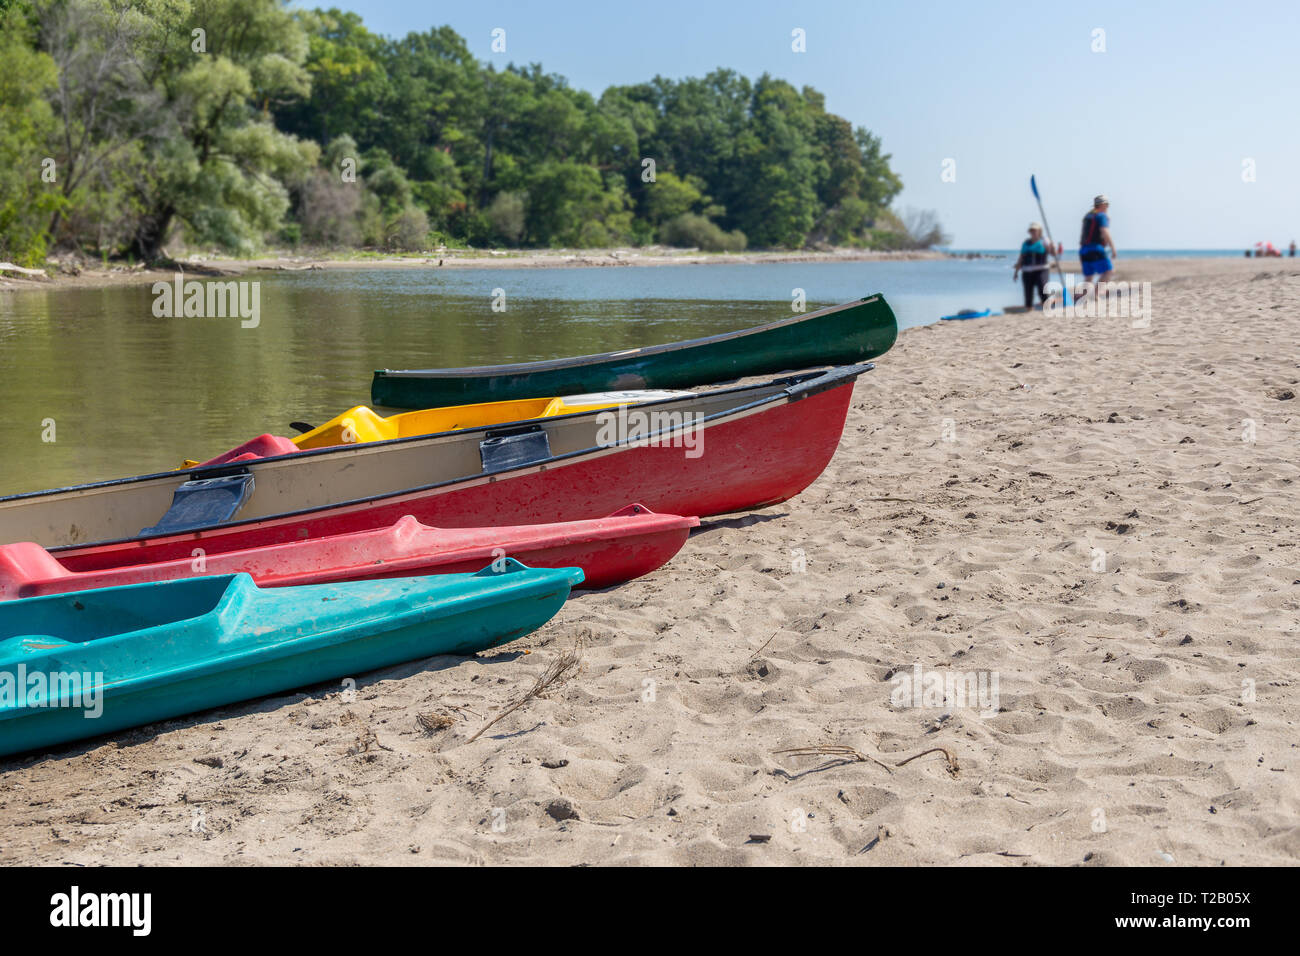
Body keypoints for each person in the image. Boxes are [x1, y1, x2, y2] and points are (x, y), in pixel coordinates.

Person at [1079, 194, 1116, 285]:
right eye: (1107, 205)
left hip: (1083, 250)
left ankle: (1082, 298)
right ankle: (1095, 294)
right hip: (1095, 249)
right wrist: (1113, 248)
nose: (1107, 208)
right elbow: (1104, 231)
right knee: (1109, 271)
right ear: (1103, 205)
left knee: (1089, 277)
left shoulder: (1088, 216)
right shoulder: (1101, 216)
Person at [1013, 222, 1051, 308]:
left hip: (1041, 269)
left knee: (1042, 289)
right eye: (1031, 230)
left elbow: (1053, 253)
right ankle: (1029, 310)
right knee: (1028, 293)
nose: (1033, 232)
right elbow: (1021, 257)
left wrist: (1052, 247)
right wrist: (1016, 272)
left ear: (1039, 231)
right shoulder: (1026, 243)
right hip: (1027, 271)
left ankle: (1047, 308)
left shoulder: (1044, 241)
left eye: (1035, 230)